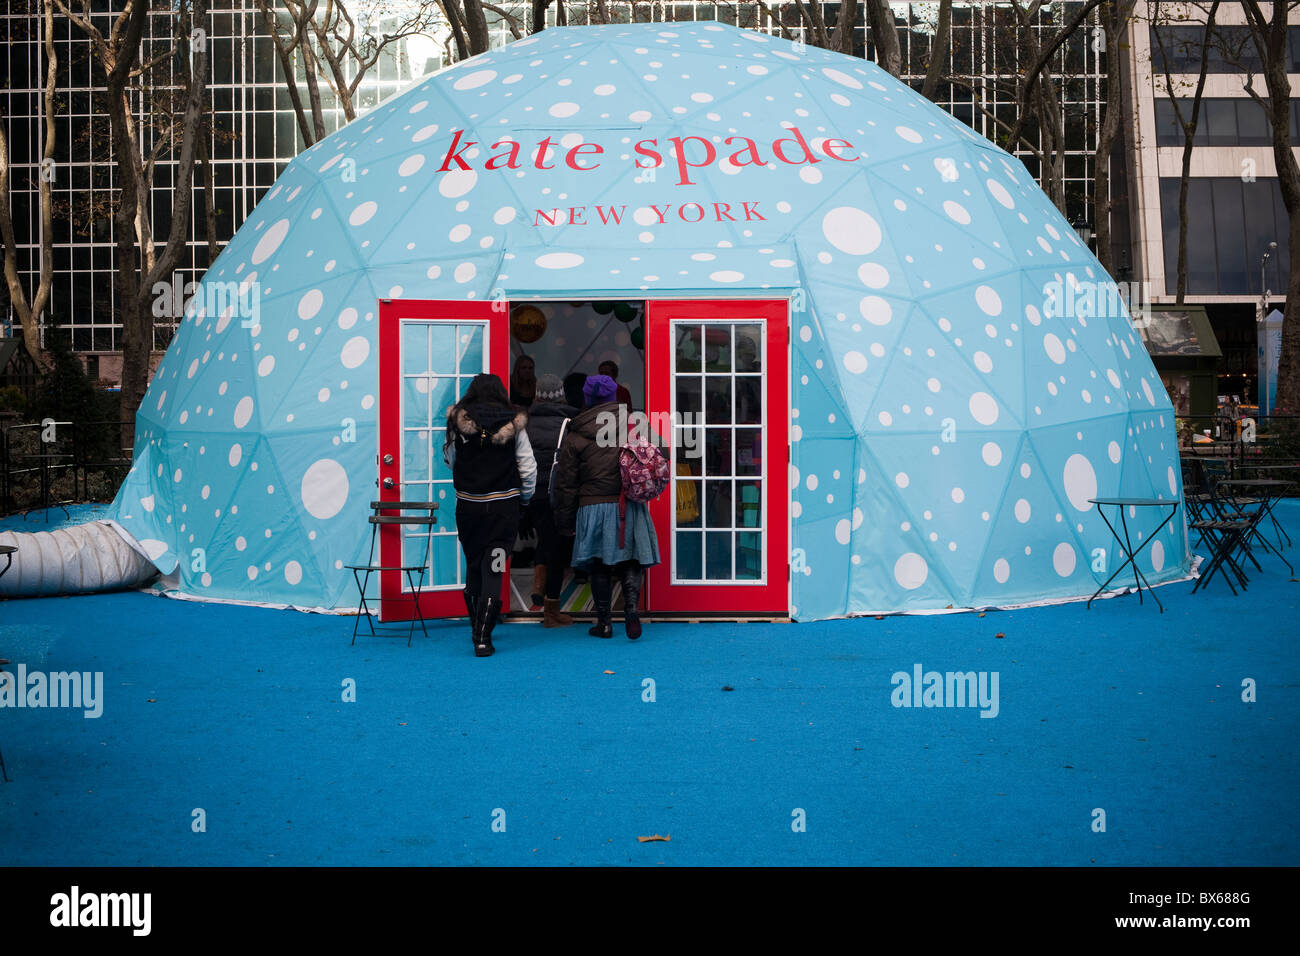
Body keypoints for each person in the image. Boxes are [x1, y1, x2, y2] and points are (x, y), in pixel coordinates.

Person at [553, 374, 660, 639]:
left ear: (587, 397)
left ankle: (604, 623)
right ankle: (632, 613)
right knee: (631, 559)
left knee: (599, 564)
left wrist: (564, 523)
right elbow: (658, 454)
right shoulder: (635, 422)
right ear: (614, 396)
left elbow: (566, 482)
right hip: (629, 502)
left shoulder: (577, 430)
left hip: (593, 505)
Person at [444, 373, 536, 657]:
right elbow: (528, 467)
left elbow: (450, 459)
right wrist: (525, 499)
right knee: (494, 569)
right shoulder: (515, 423)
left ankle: (476, 626)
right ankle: (483, 637)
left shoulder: (457, 421)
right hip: (503, 507)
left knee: (473, 566)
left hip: (468, 506)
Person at [526, 373, 577, 626]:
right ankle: (552, 610)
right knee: (558, 550)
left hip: (533, 493)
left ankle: (540, 588)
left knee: (544, 542)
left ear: (536, 395)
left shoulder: (524, 423)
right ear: (561, 395)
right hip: (559, 494)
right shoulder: (569, 423)